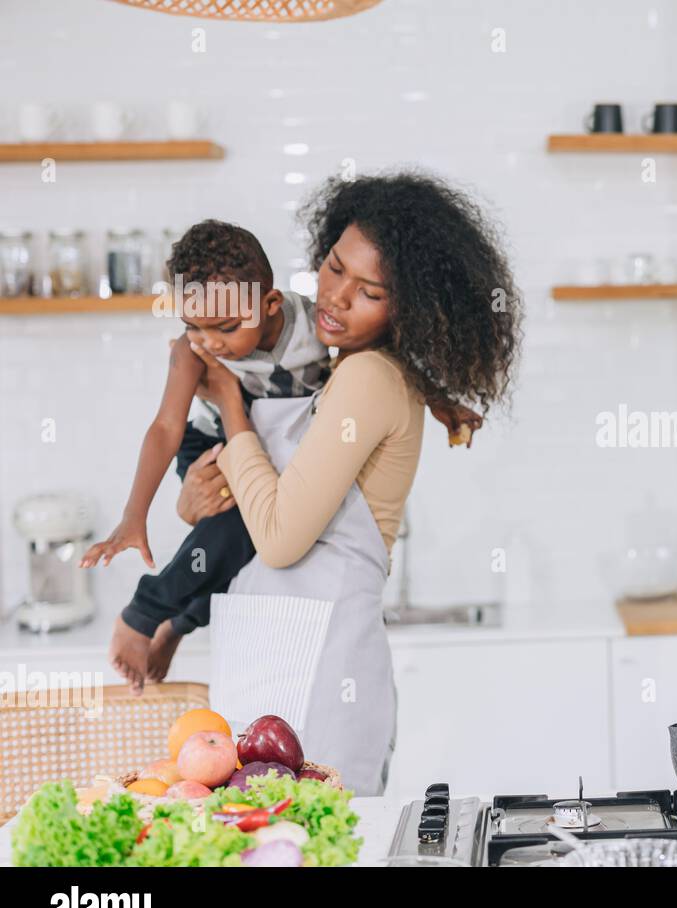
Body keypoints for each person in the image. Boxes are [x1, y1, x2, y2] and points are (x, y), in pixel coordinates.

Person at [175, 170, 521, 795]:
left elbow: (281, 539)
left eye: (369, 292)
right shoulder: (341, 369)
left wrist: (228, 405)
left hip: (319, 674)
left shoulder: (366, 378)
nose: (334, 298)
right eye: (334, 269)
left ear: (409, 307)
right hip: (279, 659)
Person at [82, 221, 332, 691]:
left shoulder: (315, 328)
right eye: (192, 325)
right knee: (234, 529)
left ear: (270, 305)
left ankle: (178, 625)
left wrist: (440, 399)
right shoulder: (192, 349)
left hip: (271, 450)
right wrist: (134, 516)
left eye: (227, 327)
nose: (209, 342)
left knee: (250, 546)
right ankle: (143, 615)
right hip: (211, 441)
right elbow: (165, 427)